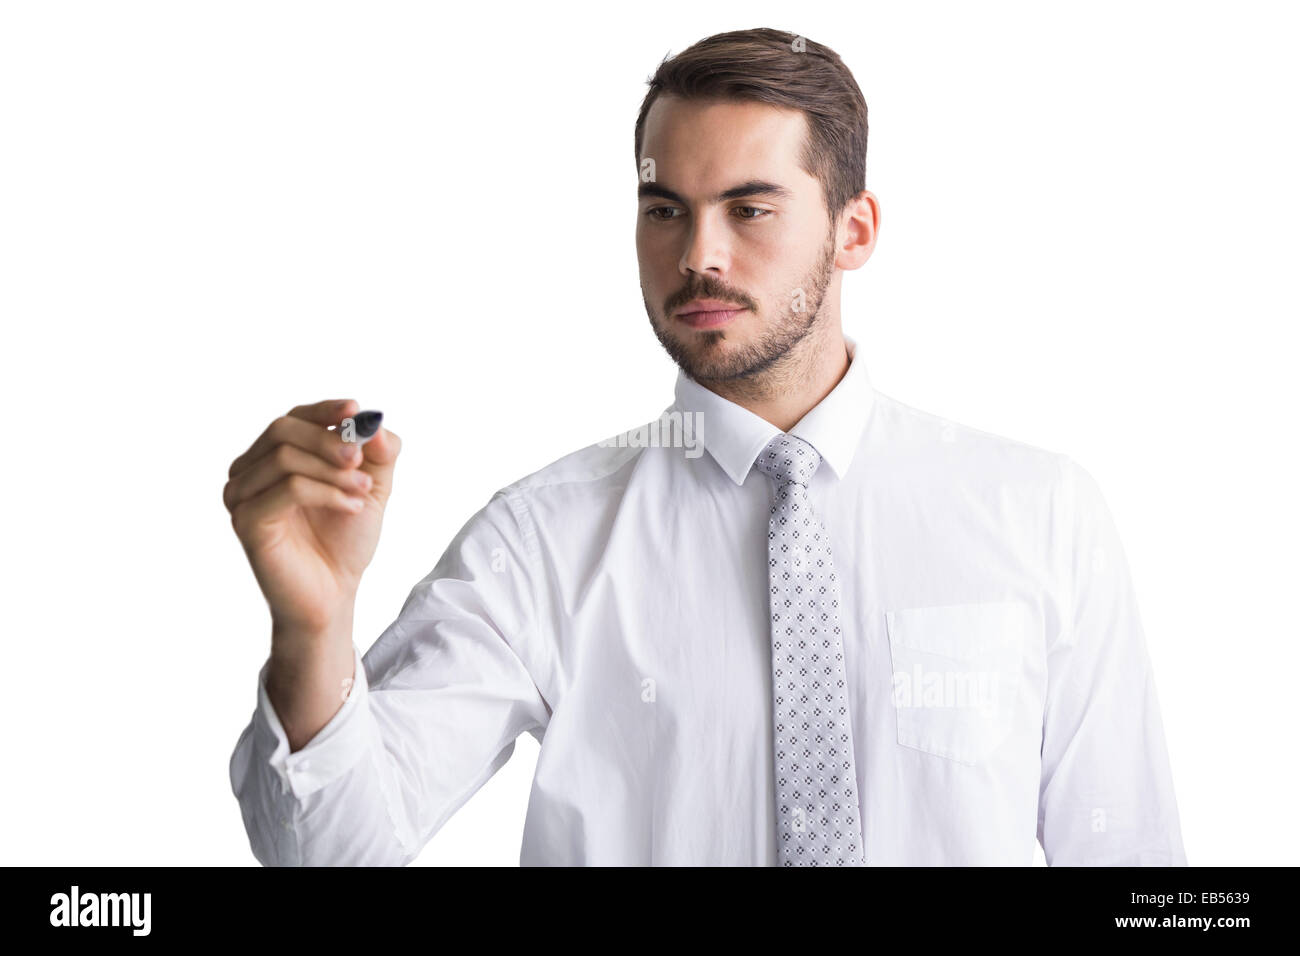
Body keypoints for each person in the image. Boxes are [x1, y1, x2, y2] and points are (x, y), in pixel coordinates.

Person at [225, 27, 1187, 866]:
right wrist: (314, 632)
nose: (698, 255)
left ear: (855, 230)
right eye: (664, 209)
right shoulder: (543, 540)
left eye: (750, 208)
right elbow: (330, 850)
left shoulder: (1040, 512)